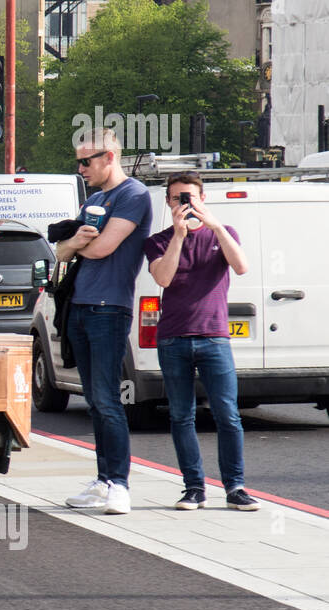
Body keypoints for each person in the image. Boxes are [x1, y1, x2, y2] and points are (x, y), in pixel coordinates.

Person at [144, 173, 258, 511]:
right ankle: (193, 487)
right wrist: (179, 235)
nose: (185, 204)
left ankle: (235, 487)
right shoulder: (158, 241)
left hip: (214, 338)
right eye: (178, 198)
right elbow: (163, 277)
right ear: (168, 202)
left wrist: (216, 227)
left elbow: (241, 267)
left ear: (203, 198)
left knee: (227, 415)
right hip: (174, 338)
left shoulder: (223, 234)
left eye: (190, 197)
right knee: (181, 415)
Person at [58, 129, 154, 516]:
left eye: (86, 161)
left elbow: (101, 247)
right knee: (94, 401)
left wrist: (78, 243)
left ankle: (120, 484)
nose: (81, 168)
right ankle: (102, 480)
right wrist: (75, 243)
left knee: (108, 399)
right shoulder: (95, 200)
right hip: (79, 306)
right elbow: (62, 252)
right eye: (79, 161)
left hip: (109, 307)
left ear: (109, 157)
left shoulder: (134, 194)